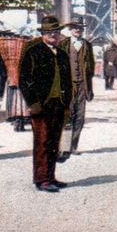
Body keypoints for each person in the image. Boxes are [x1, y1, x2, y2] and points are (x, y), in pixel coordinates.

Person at [18, 16, 72, 193]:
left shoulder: (62, 54)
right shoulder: (34, 51)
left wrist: (67, 103)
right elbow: (24, 79)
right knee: (42, 141)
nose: (53, 36)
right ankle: (41, 179)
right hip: (41, 104)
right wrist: (32, 102)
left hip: (59, 104)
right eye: (50, 32)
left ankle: (51, 176)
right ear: (43, 34)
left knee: (54, 141)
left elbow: (67, 81)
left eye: (56, 32)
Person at [58, 18, 96, 160]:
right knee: (68, 115)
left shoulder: (87, 45)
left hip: (82, 85)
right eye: (75, 27)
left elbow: (90, 69)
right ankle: (65, 147)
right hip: (68, 85)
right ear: (70, 29)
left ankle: (73, 146)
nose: (77, 30)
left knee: (80, 117)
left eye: (80, 27)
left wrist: (90, 89)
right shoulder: (63, 44)